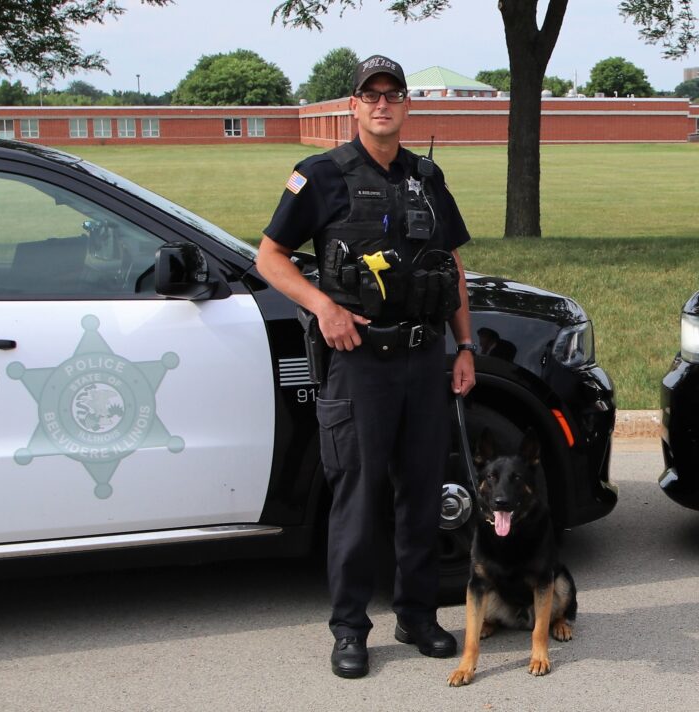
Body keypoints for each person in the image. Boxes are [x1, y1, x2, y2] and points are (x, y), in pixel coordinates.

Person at [253, 54, 478, 680]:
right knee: (355, 497)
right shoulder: (319, 175)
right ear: (353, 106)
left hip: (423, 360)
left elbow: (451, 268)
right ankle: (350, 628)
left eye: (393, 94)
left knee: (421, 494)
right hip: (357, 364)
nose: (382, 104)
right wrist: (323, 306)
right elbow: (270, 258)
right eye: (370, 94)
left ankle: (417, 615)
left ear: (406, 105)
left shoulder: (427, 178)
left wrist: (464, 347)